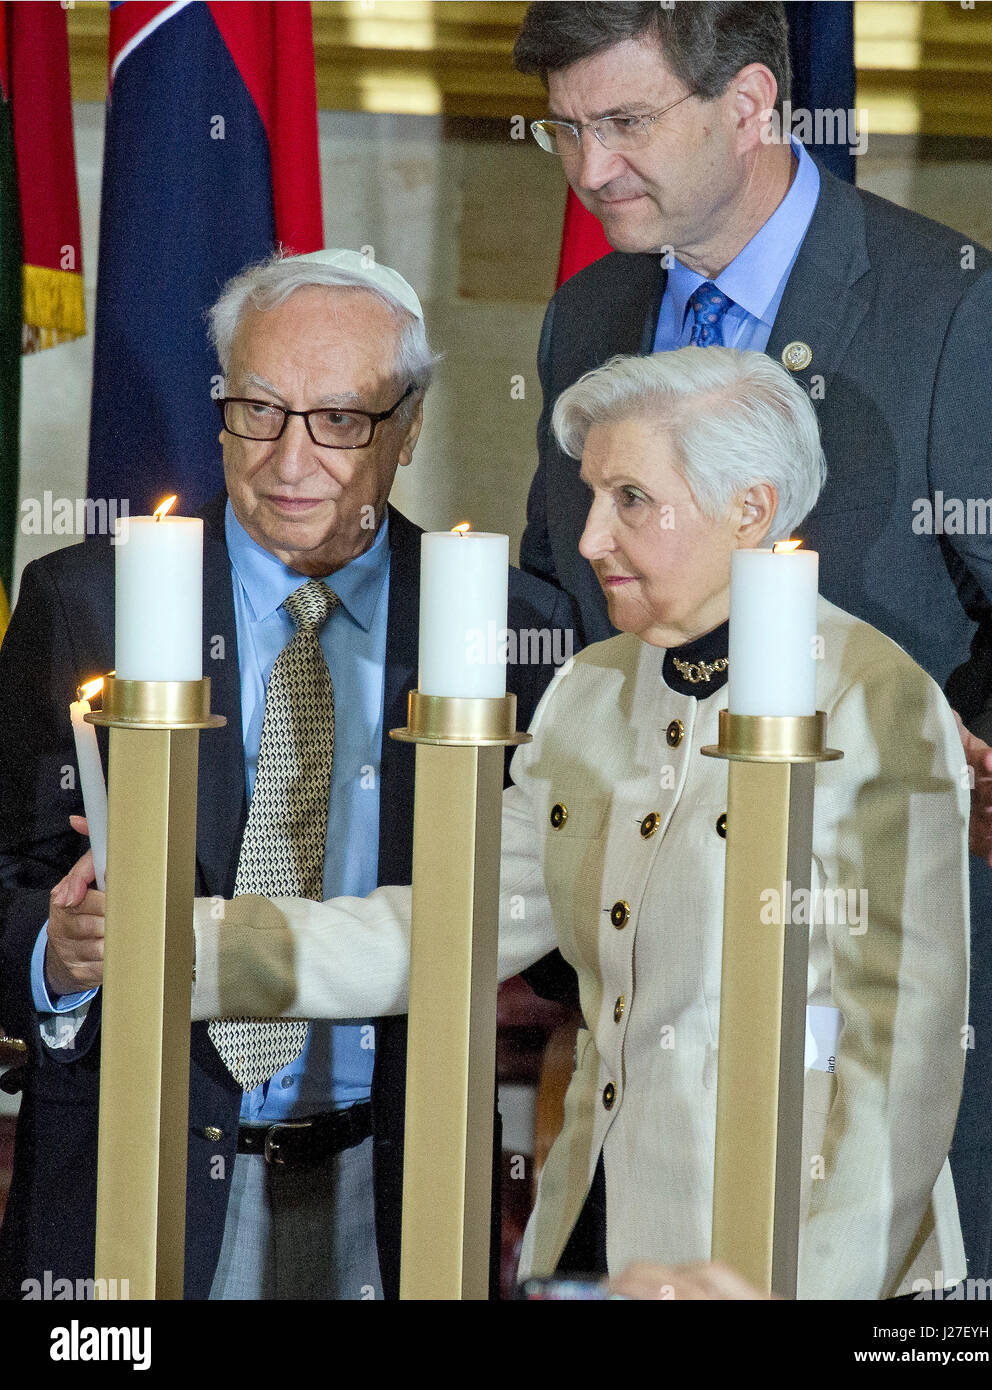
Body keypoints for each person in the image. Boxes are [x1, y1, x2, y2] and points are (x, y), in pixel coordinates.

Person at [117, 345, 971, 1297]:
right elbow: (450, 925)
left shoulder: (877, 699)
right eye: (592, 495)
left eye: (632, 500)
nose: (594, 536)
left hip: (790, 1248)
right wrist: (163, 944)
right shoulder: (589, 692)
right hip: (596, 1224)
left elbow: (903, 1051)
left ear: (752, 509)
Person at [511, 0, 992, 1283]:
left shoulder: (959, 315)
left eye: (626, 123)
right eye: (565, 130)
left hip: (882, 983)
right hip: (647, 1012)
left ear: (750, 106)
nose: (590, 171)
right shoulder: (589, 314)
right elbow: (557, 598)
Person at [0, 249, 575, 1301]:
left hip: (397, 1178)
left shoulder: (509, 630)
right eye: (258, 409)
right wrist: (55, 947)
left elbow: (557, 930)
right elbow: (8, 873)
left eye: (341, 419)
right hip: (140, 1165)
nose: (289, 459)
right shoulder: (92, 602)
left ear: (408, 428)